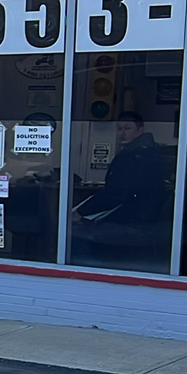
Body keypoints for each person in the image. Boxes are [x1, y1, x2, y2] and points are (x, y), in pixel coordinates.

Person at [72, 111, 178, 268]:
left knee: (75, 235)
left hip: (133, 221)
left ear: (140, 129)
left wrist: (82, 212)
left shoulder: (134, 156)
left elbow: (118, 194)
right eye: (119, 128)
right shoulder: (150, 152)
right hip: (146, 218)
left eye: (127, 128)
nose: (122, 133)